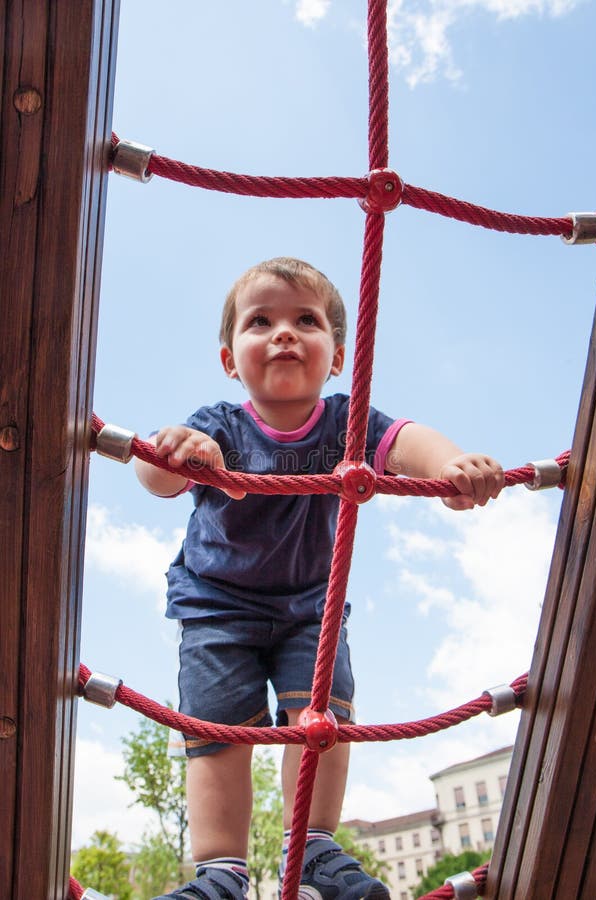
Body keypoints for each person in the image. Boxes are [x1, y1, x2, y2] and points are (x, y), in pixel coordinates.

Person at [135, 257, 504, 900]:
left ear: (336, 357)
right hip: (217, 604)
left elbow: (408, 440)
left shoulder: (344, 422)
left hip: (312, 606)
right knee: (218, 730)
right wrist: (178, 457)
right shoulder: (220, 422)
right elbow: (157, 478)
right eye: (262, 320)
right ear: (230, 359)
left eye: (305, 320)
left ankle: (311, 851)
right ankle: (220, 873)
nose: (283, 332)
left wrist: (449, 467)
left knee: (322, 716)